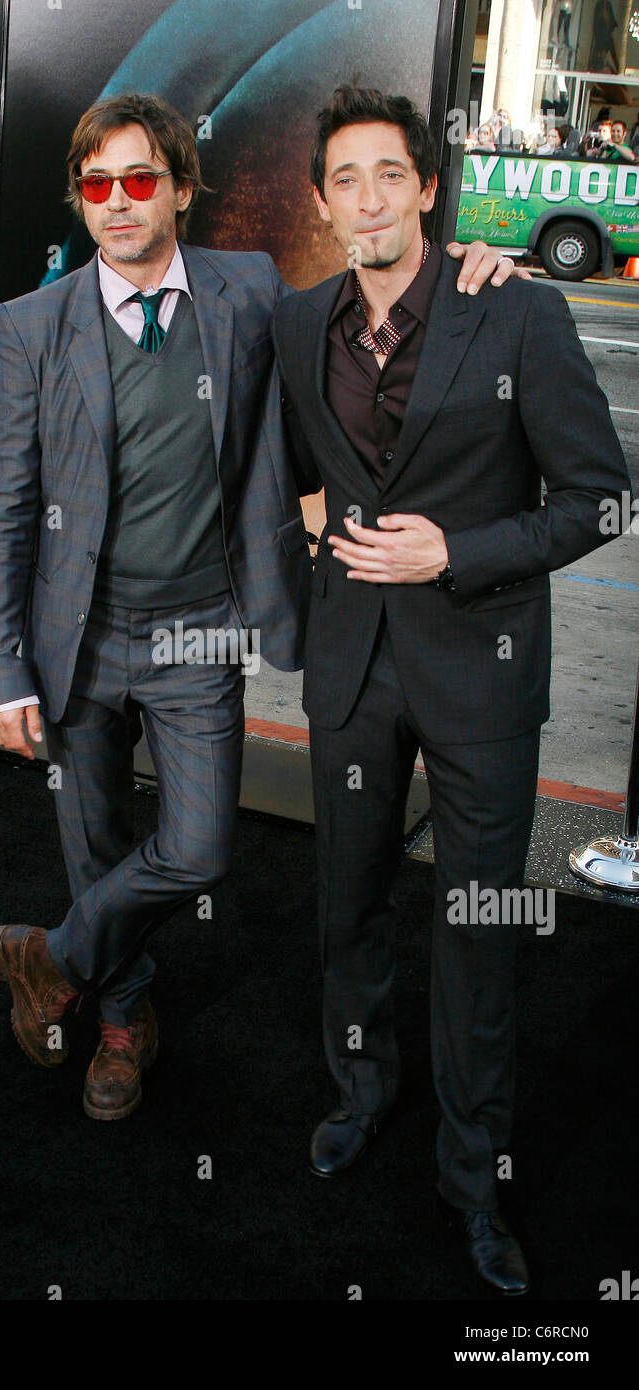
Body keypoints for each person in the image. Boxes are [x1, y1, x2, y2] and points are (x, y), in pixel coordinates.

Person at [0, 91, 516, 1125]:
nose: (118, 202)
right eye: (96, 184)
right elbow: (4, 507)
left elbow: (375, 297)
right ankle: (123, 1025)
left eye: (140, 179)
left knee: (199, 848)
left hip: (200, 633)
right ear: (79, 200)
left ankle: (51, 956)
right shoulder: (31, 324)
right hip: (74, 637)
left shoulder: (249, 290)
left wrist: (477, 272)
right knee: (93, 847)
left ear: (181, 187)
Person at [271, 84, 631, 1297]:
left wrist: (453, 553)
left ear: (427, 187)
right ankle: (361, 1091)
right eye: (343, 180)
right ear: (321, 204)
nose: (366, 197)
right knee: (350, 906)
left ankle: (473, 1179)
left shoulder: (513, 311)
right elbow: (285, 466)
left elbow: (599, 499)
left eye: (390, 174)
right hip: (351, 670)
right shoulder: (295, 322)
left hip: (477, 672)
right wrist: (314, 543)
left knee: (473, 934)